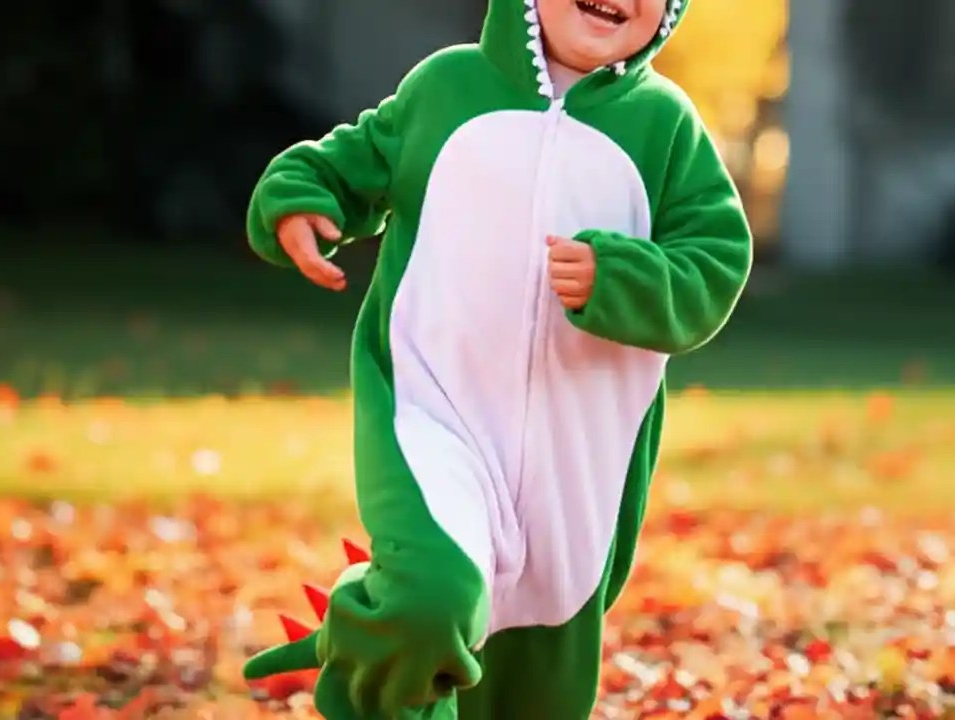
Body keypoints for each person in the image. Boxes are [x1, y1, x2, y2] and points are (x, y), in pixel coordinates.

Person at [241, 0, 753, 717]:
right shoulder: (446, 88)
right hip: (436, 419)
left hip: (580, 467)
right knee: (429, 598)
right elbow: (348, 160)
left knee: (536, 688)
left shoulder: (666, 128)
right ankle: (380, 642)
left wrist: (623, 277)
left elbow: (716, 262)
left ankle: (403, 645)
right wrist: (299, 199)